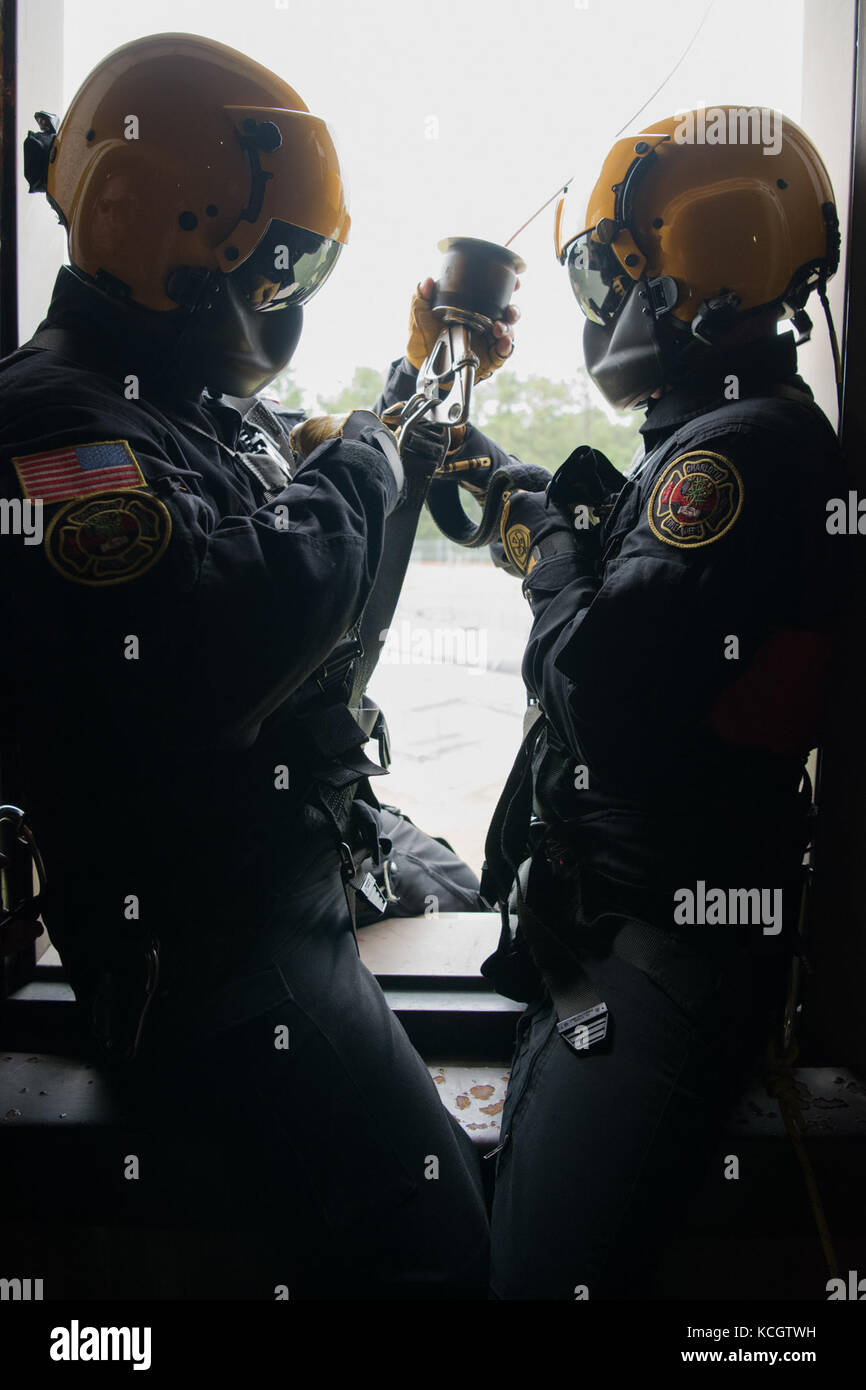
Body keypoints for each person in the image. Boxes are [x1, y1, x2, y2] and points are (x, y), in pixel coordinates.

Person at [0, 32, 515, 1298]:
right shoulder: (55, 422)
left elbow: (316, 549)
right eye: (280, 264)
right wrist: (361, 456)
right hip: (226, 973)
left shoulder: (173, 400)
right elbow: (213, 643)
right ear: (185, 239)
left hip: (291, 892)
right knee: (445, 1254)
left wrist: (411, 387)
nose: (287, 299)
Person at [423, 108, 850, 1299]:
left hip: (659, 956)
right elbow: (637, 605)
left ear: (696, 273)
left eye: (612, 268)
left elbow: (601, 690)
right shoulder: (728, 438)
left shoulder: (733, 459)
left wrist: (544, 544)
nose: (598, 303)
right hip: (629, 933)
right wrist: (502, 479)